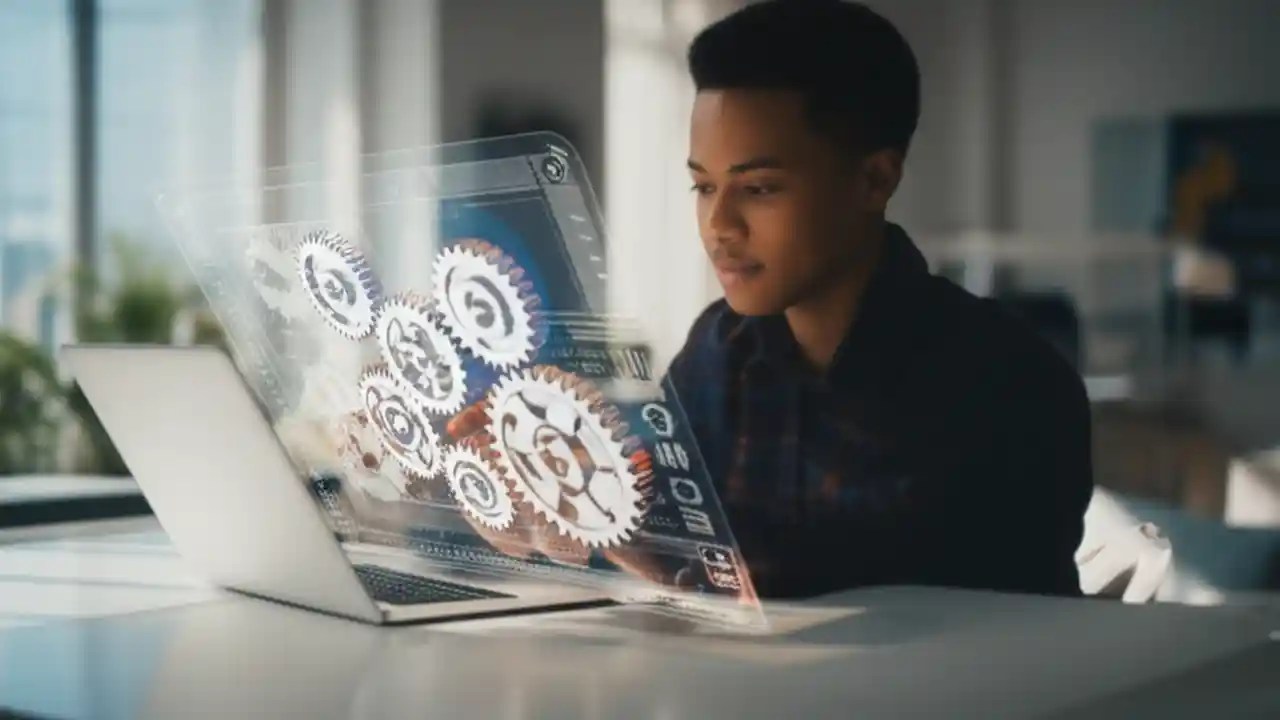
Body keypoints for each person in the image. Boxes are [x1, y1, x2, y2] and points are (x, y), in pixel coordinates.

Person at [666, 0, 1094, 598]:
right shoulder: (712, 355)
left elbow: (1015, 636)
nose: (718, 225)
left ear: (875, 179)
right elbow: (666, 546)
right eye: (704, 186)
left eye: (758, 188)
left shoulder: (1010, 384)